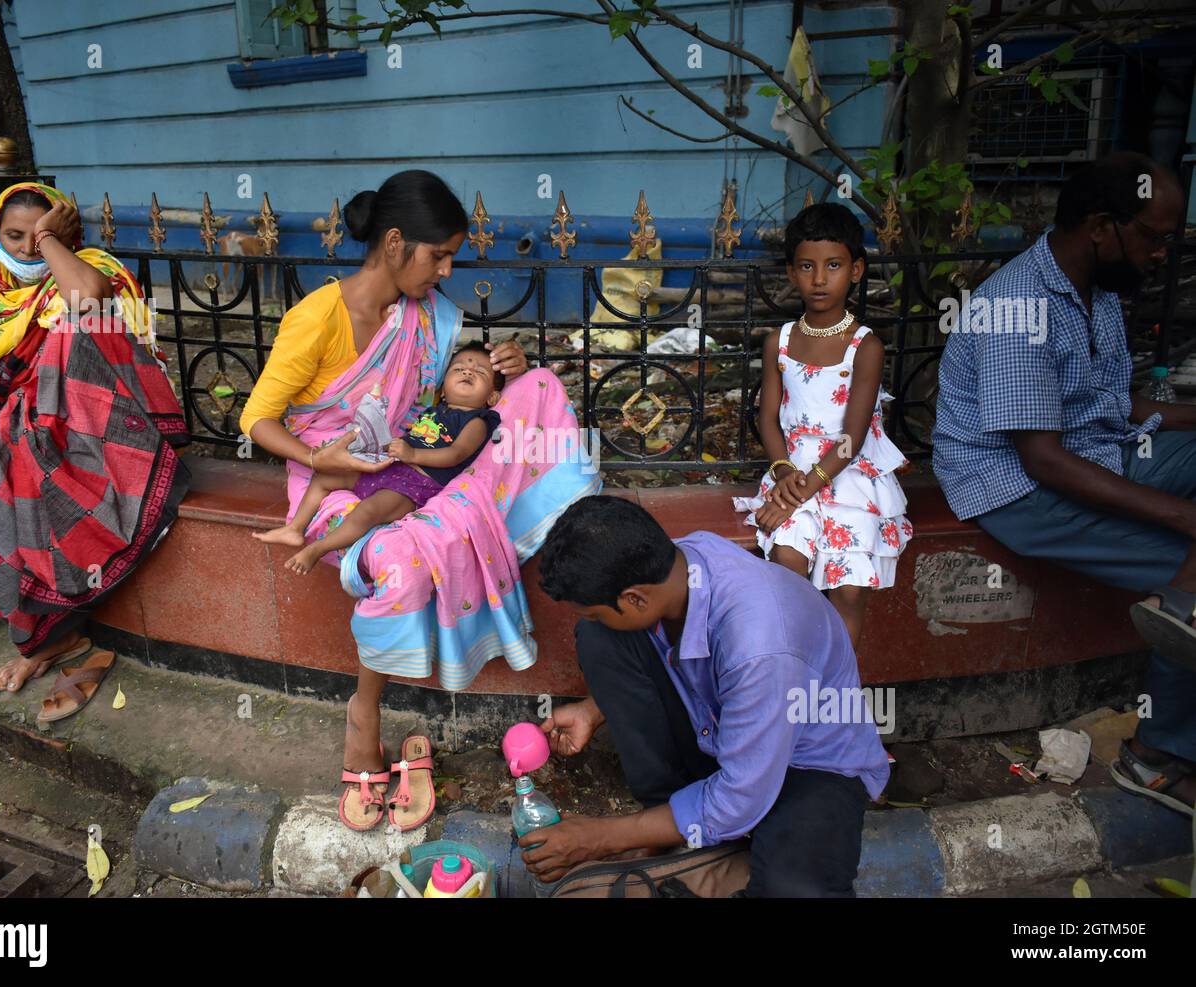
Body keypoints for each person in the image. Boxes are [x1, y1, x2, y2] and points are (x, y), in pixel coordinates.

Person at [240, 170, 600, 831]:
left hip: (416, 462)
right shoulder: (315, 319)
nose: (447, 269)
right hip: (338, 480)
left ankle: (465, 512)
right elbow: (257, 422)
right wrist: (321, 458)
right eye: (439, 256)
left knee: (542, 388)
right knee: (399, 560)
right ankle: (364, 715)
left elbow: (444, 405)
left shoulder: (427, 318)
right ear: (398, 243)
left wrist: (501, 372)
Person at [932, 152, 1195, 816]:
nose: (1161, 252)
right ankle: (1158, 756)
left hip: (1094, 453)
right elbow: (1043, 459)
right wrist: (1178, 515)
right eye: (1154, 236)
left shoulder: (1094, 290)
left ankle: (1182, 597)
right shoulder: (1020, 307)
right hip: (1018, 489)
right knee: (1189, 559)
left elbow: (1111, 405)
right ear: (1102, 226)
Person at [528, 496, 889, 896]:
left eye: (595, 610)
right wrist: (597, 709)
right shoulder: (678, 562)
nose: (593, 619)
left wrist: (601, 837)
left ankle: (690, 832)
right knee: (603, 638)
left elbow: (739, 796)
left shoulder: (761, 646)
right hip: (725, 729)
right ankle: (671, 825)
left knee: (793, 889)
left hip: (806, 764)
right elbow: (688, 665)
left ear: (634, 598)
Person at [0, 183, 189, 722]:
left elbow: (88, 302)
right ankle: (59, 637)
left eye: (40, 235)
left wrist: (56, 245)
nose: (28, 249)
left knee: (73, 333)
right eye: (15, 237)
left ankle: (53, 640)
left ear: (64, 233)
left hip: (102, 430)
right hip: (18, 430)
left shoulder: (89, 269)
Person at [735, 203, 912, 647]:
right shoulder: (780, 341)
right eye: (806, 267)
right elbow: (769, 418)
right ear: (792, 273)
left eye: (833, 266)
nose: (819, 279)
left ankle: (835, 689)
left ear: (855, 271)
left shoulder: (865, 346)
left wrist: (803, 488)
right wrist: (781, 473)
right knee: (786, 561)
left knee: (848, 588)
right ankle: (789, 673)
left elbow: (852, 438)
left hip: (848, 476)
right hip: (792, 469)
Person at [254, 342, 502, 574]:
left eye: (479, 372)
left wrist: (413, 454)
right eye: (459, 368)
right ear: (444, 389)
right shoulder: (434, 411)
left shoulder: (476, 421)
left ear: (492, 397)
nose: (467, 372)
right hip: (391, 468)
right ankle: (295, 528)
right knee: (325, 477)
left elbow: (456, 454)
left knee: (367, 511)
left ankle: (317, 549)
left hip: (416, 485)